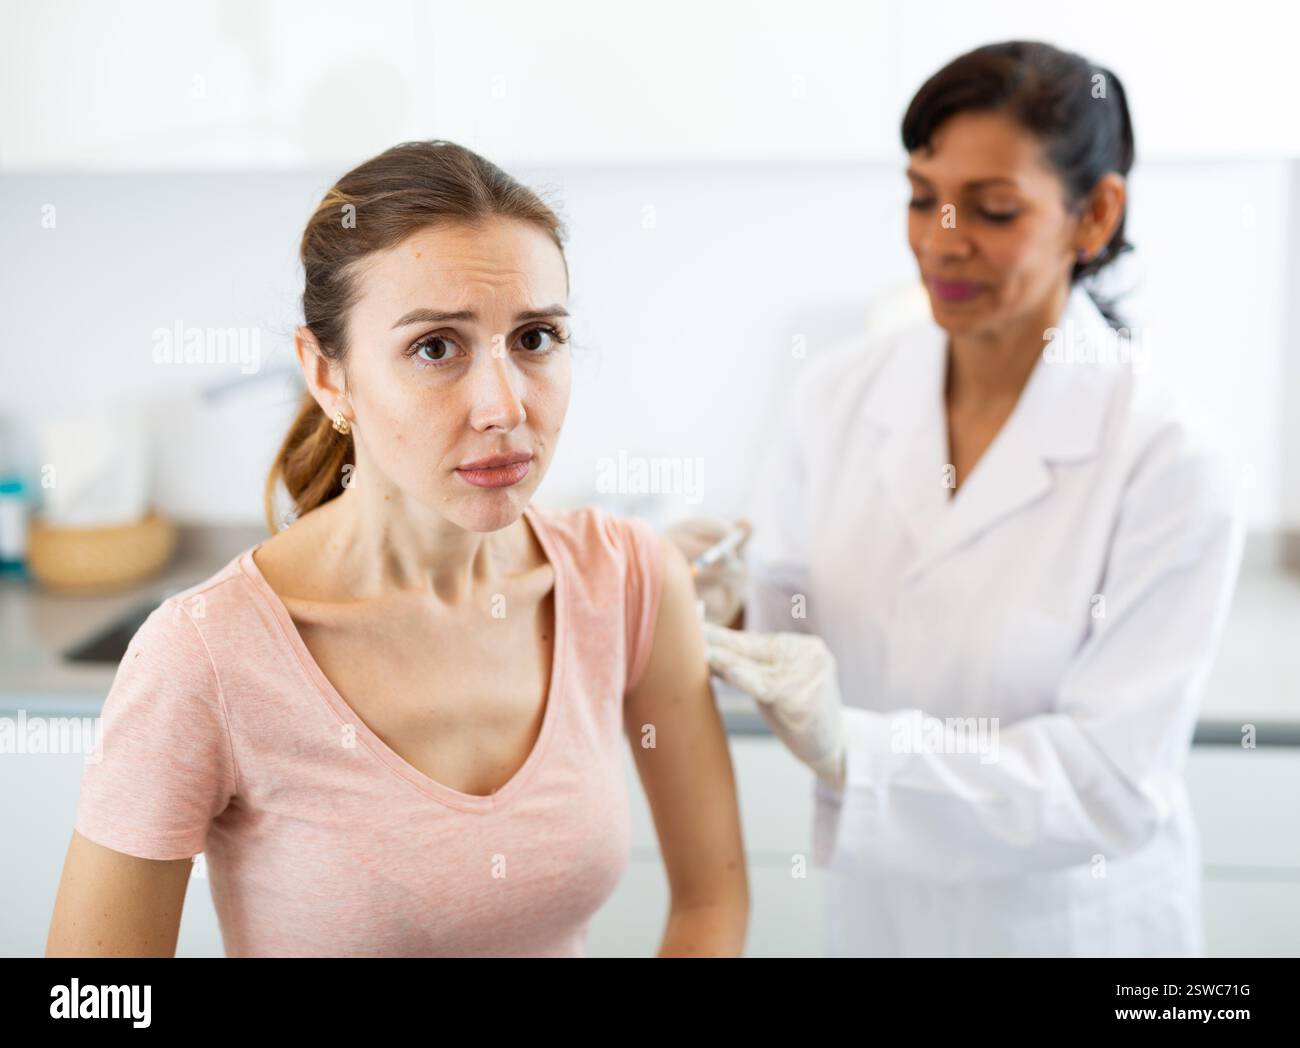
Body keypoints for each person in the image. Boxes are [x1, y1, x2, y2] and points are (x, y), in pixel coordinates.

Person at [48, 141, 748, 958]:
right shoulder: (203, 657)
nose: (502, 406)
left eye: (535, 338)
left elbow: (712, 900)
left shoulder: (628, 579)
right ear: (327, 374)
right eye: (435, 347)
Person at [690, 41, 1245, 957]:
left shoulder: (1167, 455)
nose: (942, 238)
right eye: (921, 195)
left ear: (1095, 213)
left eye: (993, 210)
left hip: (1071, 930)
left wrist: (854, 754)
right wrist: (723, 596)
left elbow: (1108, 781)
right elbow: (798, 620)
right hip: (880, 917)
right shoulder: (838, 394)